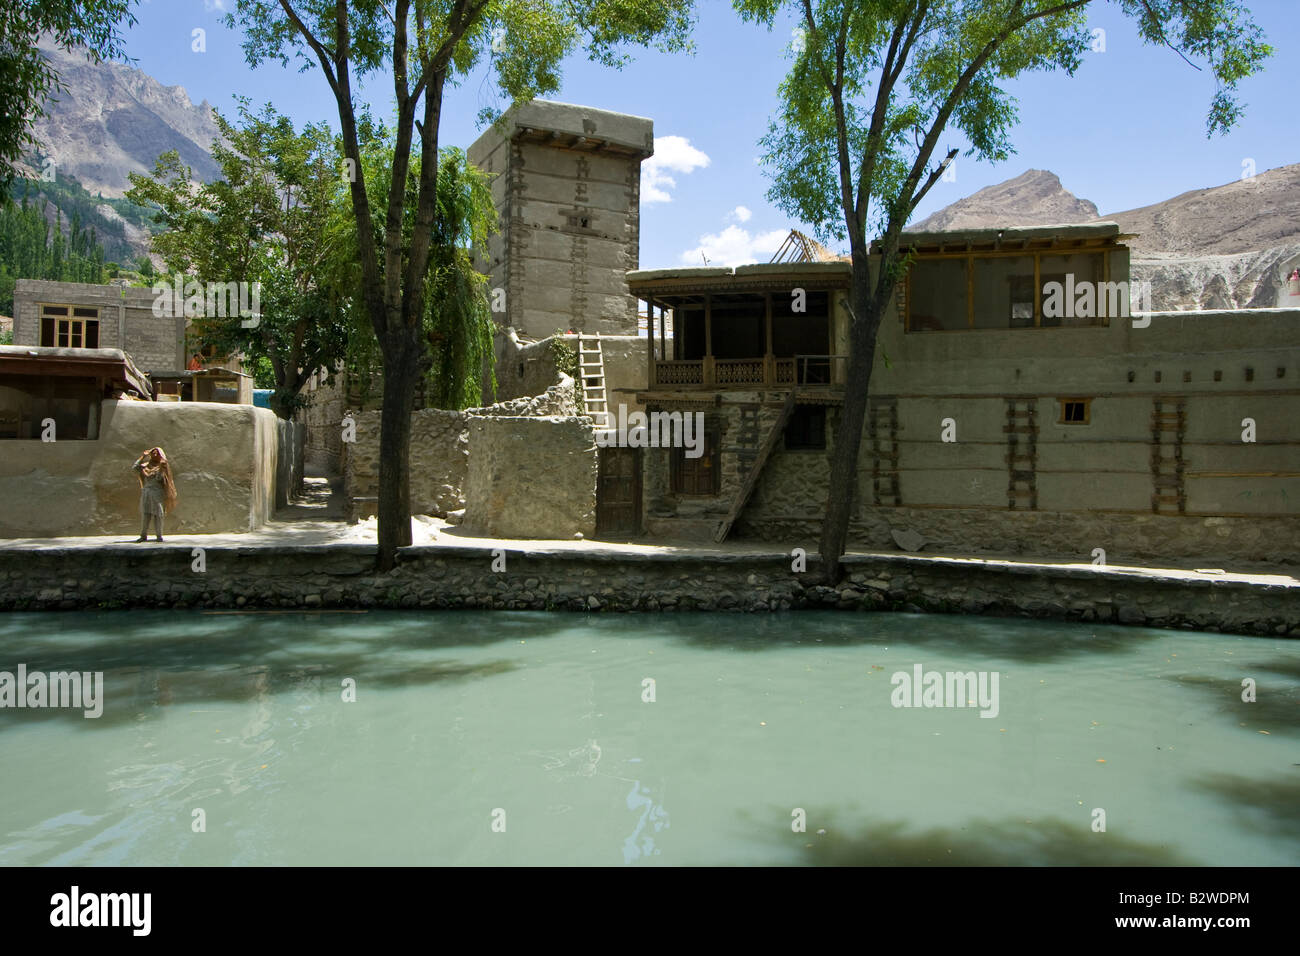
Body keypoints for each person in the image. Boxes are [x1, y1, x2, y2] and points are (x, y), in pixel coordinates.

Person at [132, 447, 177, 542]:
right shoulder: (145, 465)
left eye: (157, 453)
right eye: (153, 453)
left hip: (157, 493)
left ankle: (159, 536)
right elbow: (135, 468)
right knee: (146, 515)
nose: (155, 455)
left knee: (158, 515)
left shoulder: (162, 467)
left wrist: (161, 468)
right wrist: (142, 457)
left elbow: (159, 478)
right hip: (146, 492)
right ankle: (143, 535)